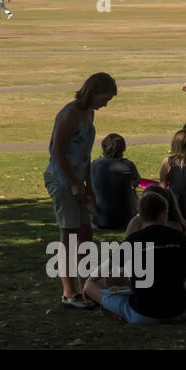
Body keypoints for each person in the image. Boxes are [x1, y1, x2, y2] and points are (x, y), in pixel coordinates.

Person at [44, 72, 118, 308]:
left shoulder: (89, 113)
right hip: (61, 179)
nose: (105, 104)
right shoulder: (70, 113)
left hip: (77, 178)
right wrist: (73, 183)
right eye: (105, 98)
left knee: (86, 233)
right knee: (70, 235)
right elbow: (56, 151)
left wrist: (88, 185)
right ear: (94, 91)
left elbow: (85, 153)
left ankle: (87, 285)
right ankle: (69, 292)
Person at [81, 191, 186, 324]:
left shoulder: (133, 240)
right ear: (164, 214)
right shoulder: (179, 237)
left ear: (140, 217)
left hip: (142, 314)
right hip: (178, 312)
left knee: (89, 285)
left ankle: (116, 311)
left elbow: (97, 275)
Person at [90, 133, 138, 230]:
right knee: (132, 191)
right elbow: (136, 182)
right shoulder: (128, 165)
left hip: (98, 219)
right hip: (125, 220)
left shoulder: (95, 164)